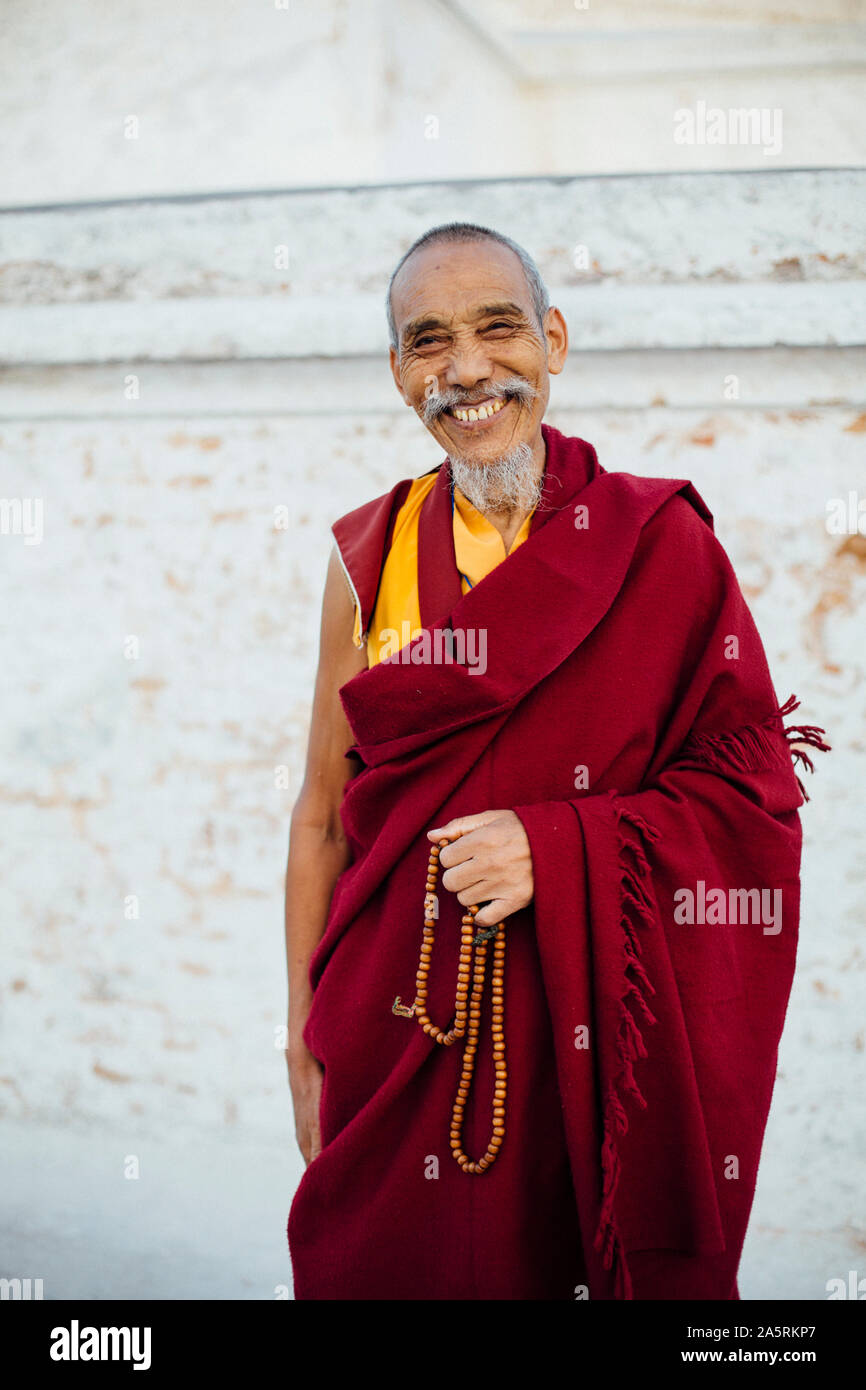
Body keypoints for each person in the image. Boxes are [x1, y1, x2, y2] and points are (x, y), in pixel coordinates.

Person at [284, 222, 827, 1300]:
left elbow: (749, 799)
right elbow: (321, 814)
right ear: (401, 374)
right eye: (429, 341)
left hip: (582, 1032)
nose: (468, 369)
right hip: (396, 1031)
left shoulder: (656, 542)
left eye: (498, 328)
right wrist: (300, 1044)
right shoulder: (369, 558)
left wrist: (557, 845)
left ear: (554, 341)